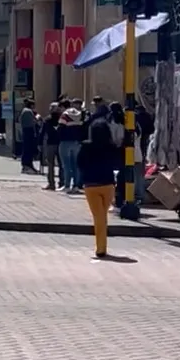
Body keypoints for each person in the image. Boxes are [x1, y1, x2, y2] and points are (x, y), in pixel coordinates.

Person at [79, 114, 119, 259]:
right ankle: (102, 246)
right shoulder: (111, 147)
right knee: (102, 215)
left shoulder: (86, 146)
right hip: (107, 184)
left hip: (91, 184)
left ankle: (101, 248)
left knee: (98, 216)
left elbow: (80, 164)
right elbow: (116, 163)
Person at [58, 104, 85, 195]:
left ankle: (67, 185)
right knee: (76, 165)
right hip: (76, 143)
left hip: (65, 142)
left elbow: (60, 129)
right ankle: (76, 186)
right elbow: (83, 129)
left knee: (66, 165)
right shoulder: (80, 115)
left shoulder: (65, 115)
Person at [42, 103, 64, 190]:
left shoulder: (47, 119)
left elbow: (43, 132)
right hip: (59, 143)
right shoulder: (62, 118)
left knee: (51, 164)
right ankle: (61, 183)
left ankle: (52, 183)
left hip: (51, 143)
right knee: (61, 164)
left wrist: (40, 143)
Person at [19, 97, 39, 174]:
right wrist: (37, 118)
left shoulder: (25, 111)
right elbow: (32, 122)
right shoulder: (28, 112)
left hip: (27, 131)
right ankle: (27, 165)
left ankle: (29, 165)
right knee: (28, 149)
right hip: (28, 131)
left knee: (28, 149)